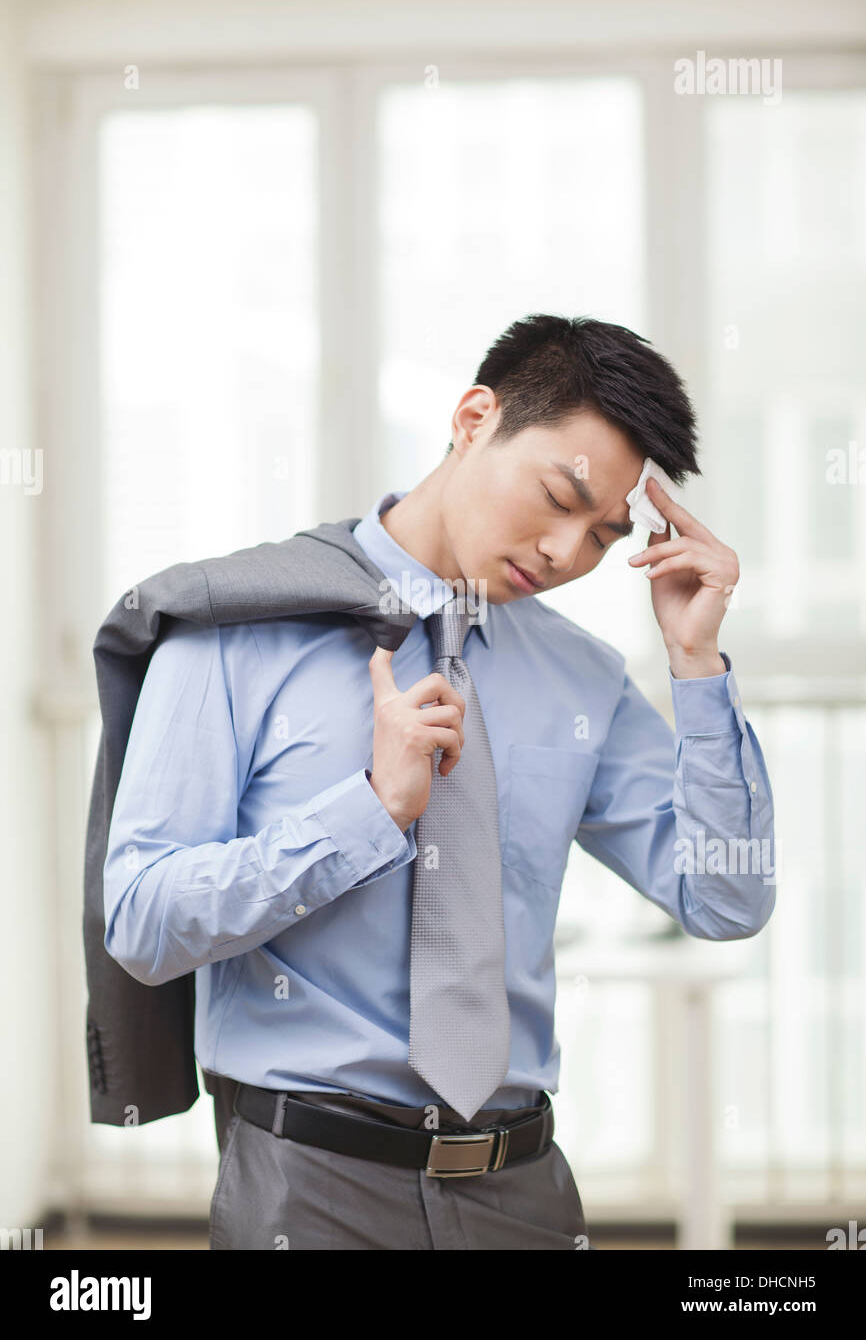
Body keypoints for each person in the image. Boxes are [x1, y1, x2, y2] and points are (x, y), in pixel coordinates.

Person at [102, 313, 775, 1250]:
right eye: (557, 496)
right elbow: (141, 921)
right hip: (310, 1190)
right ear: (473, 417)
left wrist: (698, 666)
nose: (563, 553)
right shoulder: (233, 632)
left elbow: (727, 896)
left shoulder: (582, 679)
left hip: (525, 1190)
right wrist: (369, 812)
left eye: (602, 537)